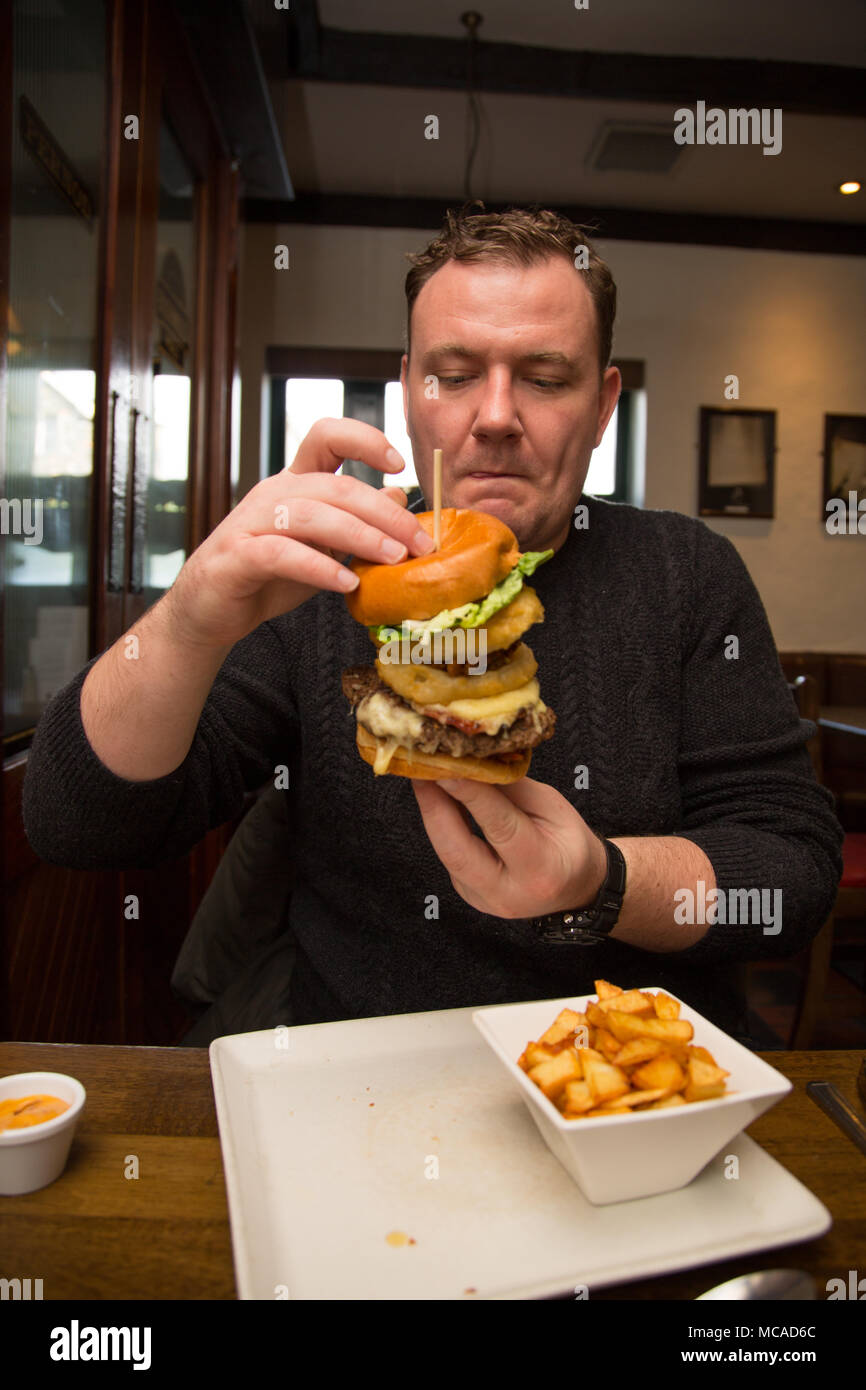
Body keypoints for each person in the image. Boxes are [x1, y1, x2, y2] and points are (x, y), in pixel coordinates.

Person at [22, 207, 843, 1044]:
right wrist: (193, 615)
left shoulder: (688, 572)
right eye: (454, 375)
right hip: (363, 1082)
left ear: (602, 407)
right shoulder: (320, 577)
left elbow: (791, 874)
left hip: (632, 1087)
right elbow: (78, 822)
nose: (493, 416)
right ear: (409, 391)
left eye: (546, 377)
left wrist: (602, 880)